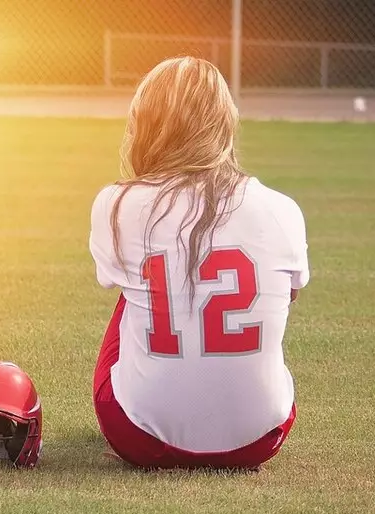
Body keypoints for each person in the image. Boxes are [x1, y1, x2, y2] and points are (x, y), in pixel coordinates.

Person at [89, 56, 310, 470]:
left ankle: (164, 398)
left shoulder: (117, 203)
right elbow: (288, 295)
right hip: (260, 439)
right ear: (225, 122)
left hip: (139, 438)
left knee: (134, 293)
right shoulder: (283, 208)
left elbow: (121, 281)